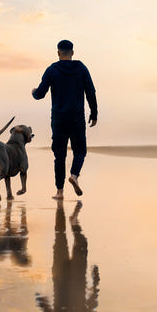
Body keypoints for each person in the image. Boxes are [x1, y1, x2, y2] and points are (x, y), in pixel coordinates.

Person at [31, 39, 97, 200]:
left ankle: (59, 192)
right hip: (77, 118)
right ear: (72, 53)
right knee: (80, 150)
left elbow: (40, 94)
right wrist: (94, 113)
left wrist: (33, 91)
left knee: (59, 155)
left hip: (59, 119)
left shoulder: (52, 70)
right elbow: (90, 91)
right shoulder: (81, 68)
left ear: (58, 53)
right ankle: (74, 175)